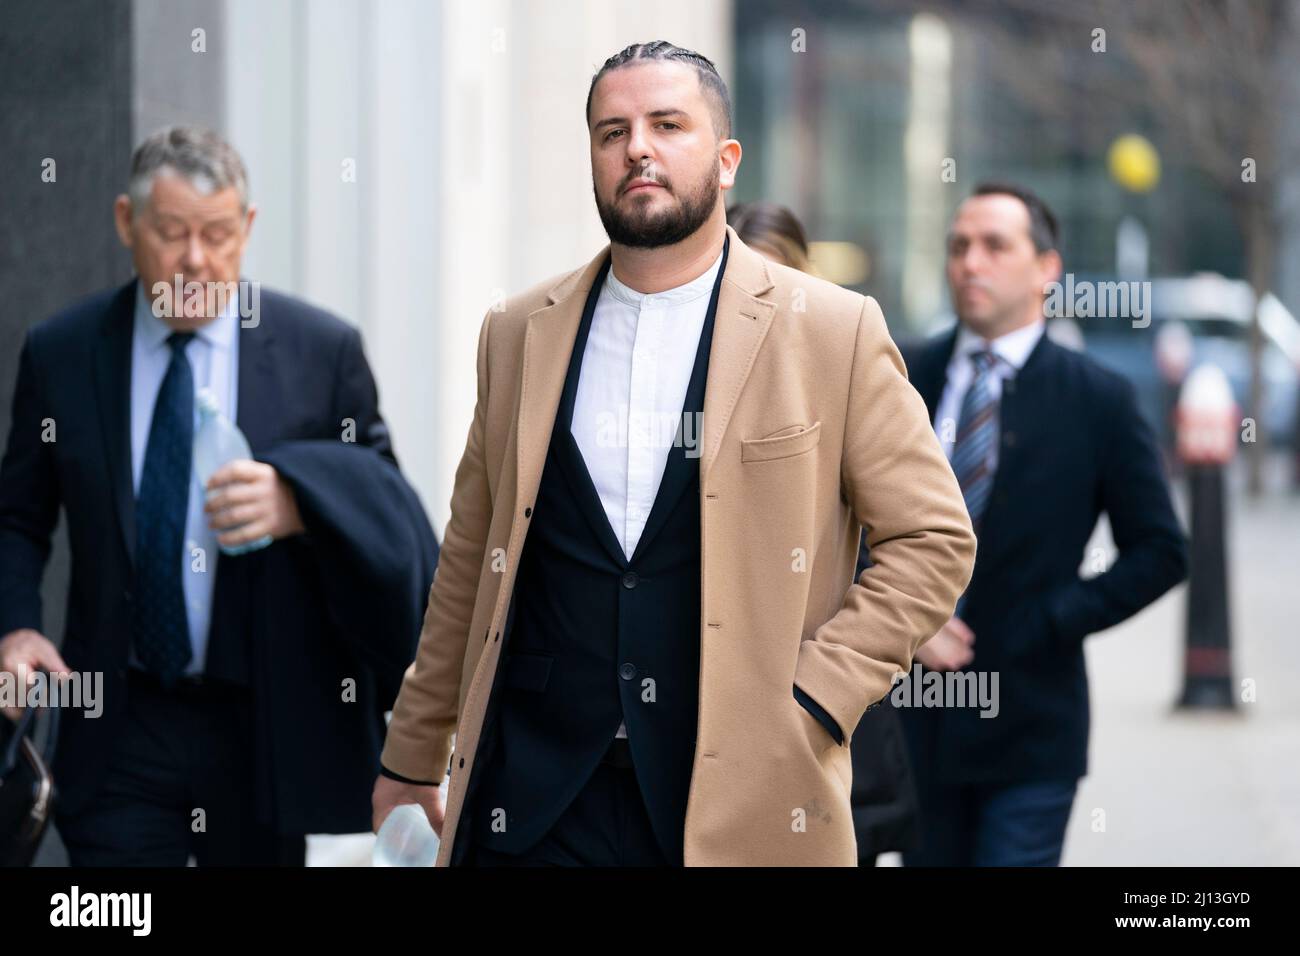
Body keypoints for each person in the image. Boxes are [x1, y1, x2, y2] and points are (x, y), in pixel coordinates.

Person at [373, 41, 976, 867]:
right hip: (535, 799)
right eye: (611, 132)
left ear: (727, 160)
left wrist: (818, 696)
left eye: (666, 124)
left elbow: (933, 541)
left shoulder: (833, 331)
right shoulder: (517, 334)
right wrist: (412, 751)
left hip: (737, 803)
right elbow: (473, 558)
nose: (638, 149)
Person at [0, 126, 439, 866]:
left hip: (265, 728)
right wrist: (15, 629)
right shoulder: (63, 353)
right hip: (119, 723)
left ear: (249, 228)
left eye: (217, 234)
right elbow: (18, 517)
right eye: (171, 234)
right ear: (125, 223)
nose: (195, 259)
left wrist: (301, 501)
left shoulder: (318, 351)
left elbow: (386, 510)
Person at [894, 182, 1189, 866]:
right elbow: (845, 522)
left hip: (1031, 725)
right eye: (960, 246)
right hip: (910, 723)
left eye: (996, 245)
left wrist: (1052, 619)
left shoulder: (1098, 398)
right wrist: (903, 617)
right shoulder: (902, 374)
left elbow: (1161, 549)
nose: (972, 262)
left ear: (1046, 269)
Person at [728, 199, 923, 866]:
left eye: (775, 278)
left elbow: (917, 536)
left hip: (817, 711)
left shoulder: (841, 355)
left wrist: (816, 693)